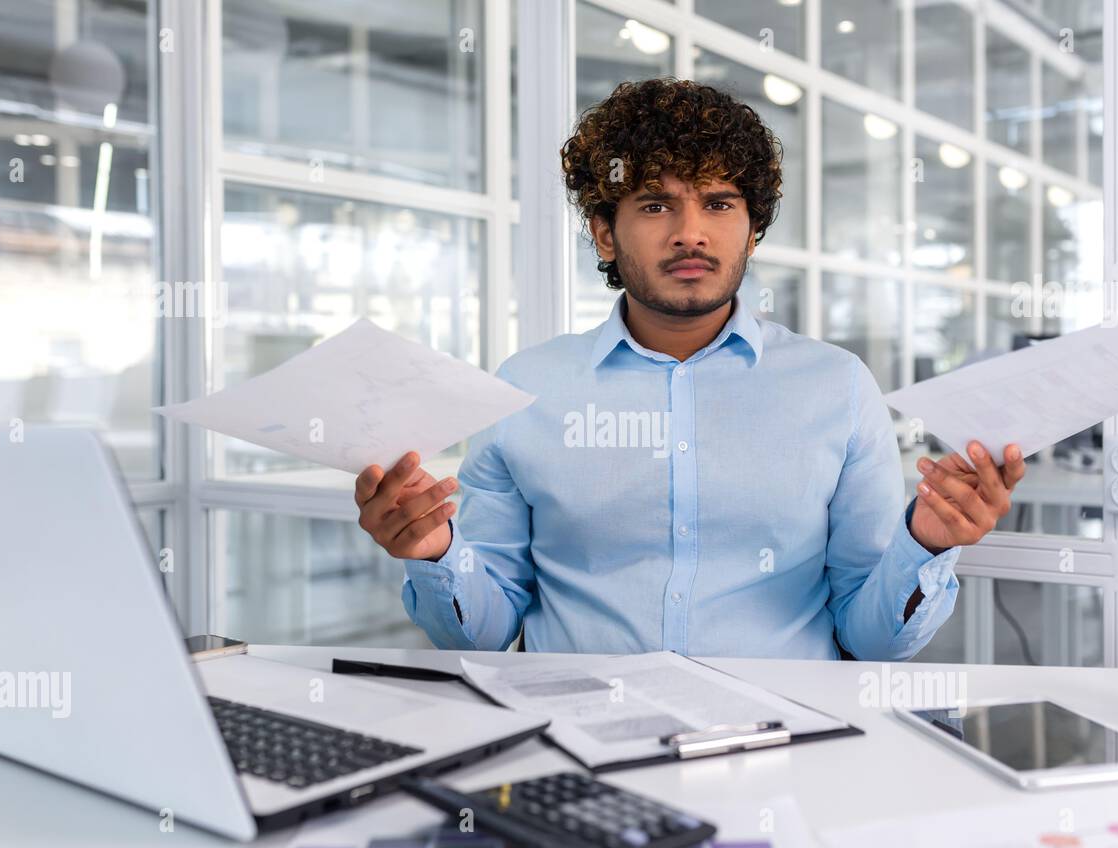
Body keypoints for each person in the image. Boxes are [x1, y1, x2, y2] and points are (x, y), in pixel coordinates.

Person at [356, 78, 1025, 659]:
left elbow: (872, 637)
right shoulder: (527, 389)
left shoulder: (837, 387)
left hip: (788, 747)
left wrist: (926, 544)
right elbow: (483, 632)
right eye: (655, 204)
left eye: (719, 203)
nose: (690, 232)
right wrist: (436, 552)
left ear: (752, 227)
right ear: (604, 231)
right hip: (578, 749)